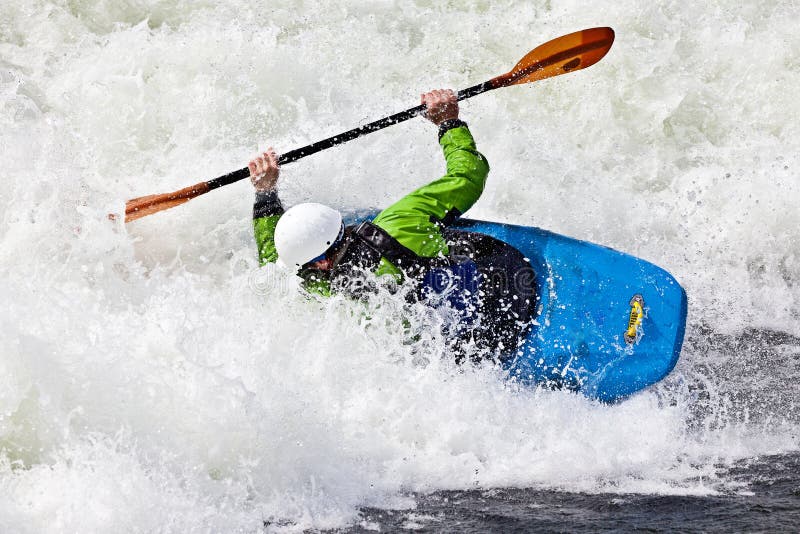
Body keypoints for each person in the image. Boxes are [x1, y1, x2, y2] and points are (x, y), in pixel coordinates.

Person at [249, 89, 536, 360]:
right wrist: (449, 122)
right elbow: (468, 175)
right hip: (506, 299)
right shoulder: (399, 224)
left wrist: (265, 195)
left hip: (461, 349)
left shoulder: (316, 292)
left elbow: (272, 263)